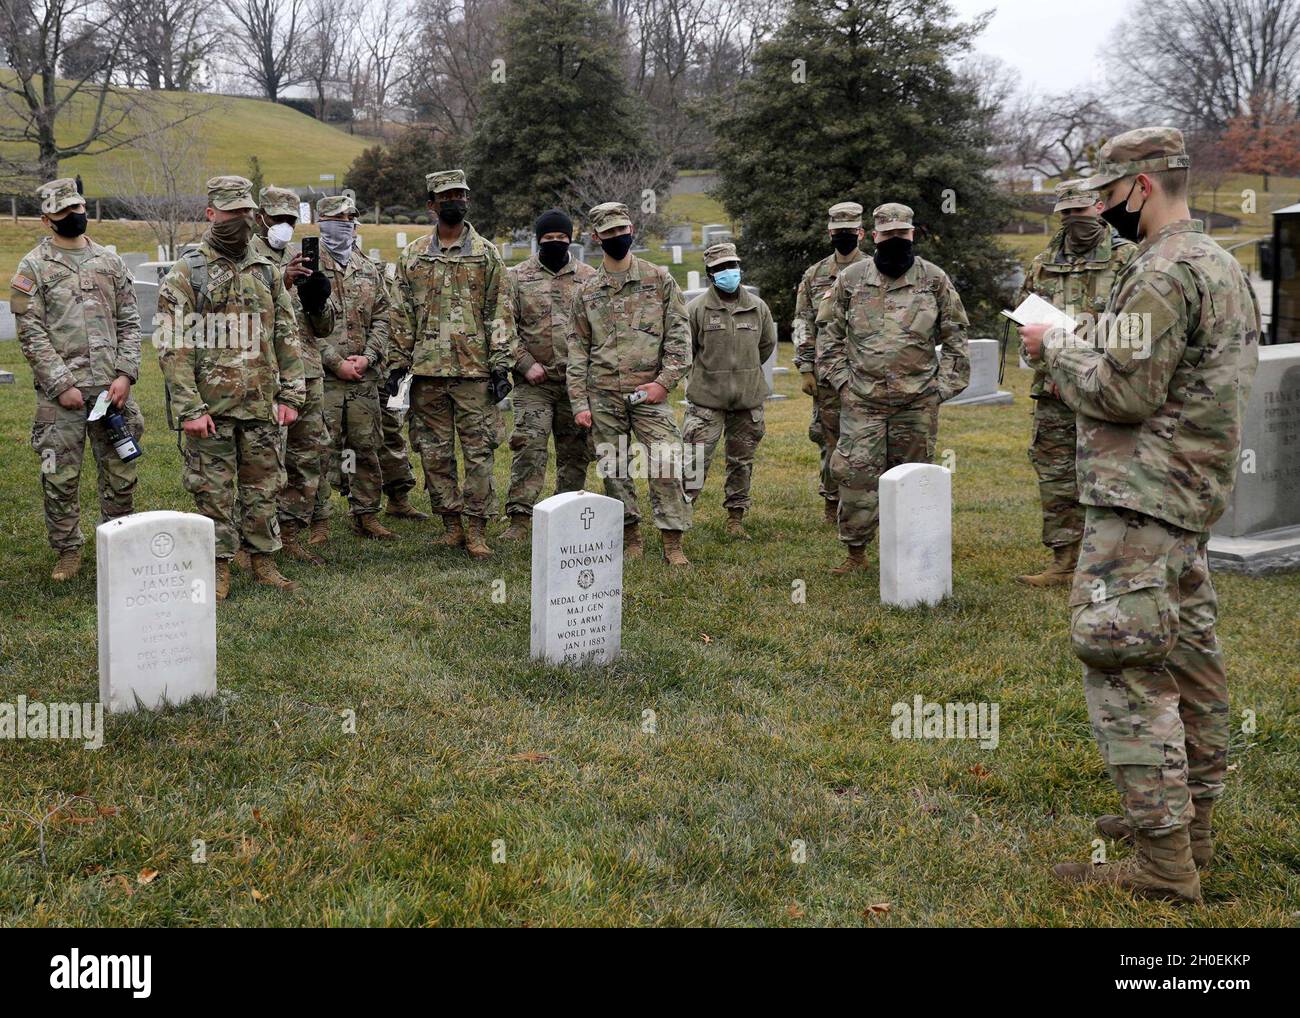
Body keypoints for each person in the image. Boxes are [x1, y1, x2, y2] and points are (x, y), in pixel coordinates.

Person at [1021, 128, 1260, 903]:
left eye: (1108, 193)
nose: (1099, 206)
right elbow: (1161, 363)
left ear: (1142, 188)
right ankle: (1192, 826)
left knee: (1124, 661)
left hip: (1141, 497)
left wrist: (1056, 348)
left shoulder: (1161, 271)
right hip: (1187, 496)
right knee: (1190, 656)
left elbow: (1125, 393)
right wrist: (1080, 337)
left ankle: (1164, 864)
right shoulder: (1218, 264)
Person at [156, 174, 311, 600]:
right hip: (212, 408)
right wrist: (189, 408)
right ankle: (218, 566)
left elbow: (287, 334)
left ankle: (263, 559)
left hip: (261, 403)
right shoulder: (189, 271)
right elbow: (173, 344)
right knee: (214, 493)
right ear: (211, 214)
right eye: (231, 211)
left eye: (247, 211)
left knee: (264, 487)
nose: (241, 219)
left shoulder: (267, 270)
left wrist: (292, 395)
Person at [818, 202, 969, 574]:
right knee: (855, 476)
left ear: (913, 234)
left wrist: (940, 389)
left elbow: (956, 338)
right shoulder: (851, 280)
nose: (896, 240)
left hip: (917, 403)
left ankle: (913, 556)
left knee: (914, 478)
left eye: (902, 234)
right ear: (873, 236)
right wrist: (843, 383)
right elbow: (828, 336)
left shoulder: (934, 280)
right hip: (862, 401)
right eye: (888, 235)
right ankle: (855, 555)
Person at [11, 177, 143, 581]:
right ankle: (68, 550)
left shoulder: (110, 261)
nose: (75, 216)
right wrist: (60, 384)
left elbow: (131, 321)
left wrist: (125, 374)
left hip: (112, 393)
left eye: (78, 208)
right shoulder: (33, 266)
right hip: (60, 397)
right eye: (65, 211)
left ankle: (117, 544)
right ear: (47, 218)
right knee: (60, 477)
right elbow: (30, 331)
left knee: (121, 474)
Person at [1015, 180, 1135, 587]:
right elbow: (1025, 317)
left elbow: (1137, 328)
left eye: (1080, 211)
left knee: (1109, 474)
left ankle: (1113, 562)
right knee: (1056, 474)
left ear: (1100, 207)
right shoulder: (1042, 263)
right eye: (1065, 213)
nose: (1073, 220)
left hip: (1106, 387)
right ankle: (1064, 561)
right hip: (1053, 391)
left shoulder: (1128, 259)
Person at [393, 169, 512, 559]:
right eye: (446, 197)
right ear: (431, 205)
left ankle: (476, 529)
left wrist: (501, 364)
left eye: (460, 195)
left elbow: (500, 311)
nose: (454, 201)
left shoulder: (486, 253)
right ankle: (451, 523)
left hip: (474, 373)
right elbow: (401, 313)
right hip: (427, 373)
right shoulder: (412, 256)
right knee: (434, 451)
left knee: (479, 452)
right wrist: (397, 364)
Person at [567, 201, 693, 566]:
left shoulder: (658, 279)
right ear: (596, 238)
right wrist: (580, 403)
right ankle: (630, 535)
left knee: (666, 460)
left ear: (632, 230)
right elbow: (577, 351)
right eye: (609, 233)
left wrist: (664, 383)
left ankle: (672, 541)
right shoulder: (586, 291)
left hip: (649, 392)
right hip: (603, 393)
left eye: (622, 231)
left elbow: (680, 339)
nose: (618, 238)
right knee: (615, 469)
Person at [249, 185, 335, 565]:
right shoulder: (248, 258)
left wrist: (317, 300)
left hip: (308, 372)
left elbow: (325, 327)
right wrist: (280, 283)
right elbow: (244, 317)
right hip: (265, 374)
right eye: (277, 219)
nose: (284, 226)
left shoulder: (304, 257)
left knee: (306, 455)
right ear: (260, 217)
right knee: (262, 459)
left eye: (290, 220)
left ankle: (295, 530)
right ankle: (251, 536)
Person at [499, 208, 596, 541]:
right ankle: (520, 519)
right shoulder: (516, 277)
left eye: (561, 237)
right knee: (530, 447)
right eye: (548, 238)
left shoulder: (588, 277)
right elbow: (502, 327)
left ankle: (566, 513)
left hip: (576, 384)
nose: (555, 242)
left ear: (570, 238)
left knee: (575, 452)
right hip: (533, 384)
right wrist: (525, 363)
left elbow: (600, 328)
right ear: (538, 239)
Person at [314, 193, 396, 541]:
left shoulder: (366, 266)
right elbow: (298, 326)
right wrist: (335, 362)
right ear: (321, 223)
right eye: (337, 218)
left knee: (365, 446)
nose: (344, 224)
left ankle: (366, 515)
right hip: (324, 378)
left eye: (350, 218)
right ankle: (317, 520)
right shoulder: (306, 265)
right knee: (319, 449)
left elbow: (383, 315)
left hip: (364, 375)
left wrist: (368, 357)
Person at [682, 242, 776, 538]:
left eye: (732, 266)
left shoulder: (757, 307)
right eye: (721, 268)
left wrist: (745, 374)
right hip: (706, 402)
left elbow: (766, 345)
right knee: (694, 462)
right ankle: (680, 520)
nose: (728, 272)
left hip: (747, 402)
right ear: (710, 274)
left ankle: (735, 519)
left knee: (741, 463)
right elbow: (687, 350)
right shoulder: (696, 309)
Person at [794, 201, 865, 527]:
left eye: (849, 231)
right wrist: (806, 368)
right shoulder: (815, 274)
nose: (844, 236)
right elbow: (802, 323)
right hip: (827, 375)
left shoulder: (876, 268)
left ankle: (869, 503)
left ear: (862, 233)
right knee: (831, 441)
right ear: (830, 233)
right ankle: (831, 504)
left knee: (867, 440)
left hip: (867, 371)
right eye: (838, 232)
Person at [377, 262, 429, 521]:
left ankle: (398, 499)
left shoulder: (393, 275)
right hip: (368, 367)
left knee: (393, 433)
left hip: (397, 368)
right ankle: (358, 503)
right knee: (354, 442)